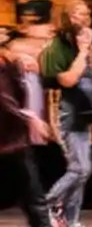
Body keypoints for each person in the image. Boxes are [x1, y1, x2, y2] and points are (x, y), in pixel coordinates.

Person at [40, 0, 92, 227]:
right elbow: (68, 80)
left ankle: (70, 218)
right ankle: (49, 203)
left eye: (86, 13)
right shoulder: (59, 46)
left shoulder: (74, 43)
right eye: (77, 13)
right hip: (67, 115)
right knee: (81, 168)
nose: (83, 17)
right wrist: (84, 50)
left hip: (81, 115)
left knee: (81, 171)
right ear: (67, 16)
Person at [0, 30, 53, 227]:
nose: (38, 49)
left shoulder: (13, 67)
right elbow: (4, 101)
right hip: (9, 145)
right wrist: (30, 118)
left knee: (35, 202)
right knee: (35, 202)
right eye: (33, 44)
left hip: (15, 143)